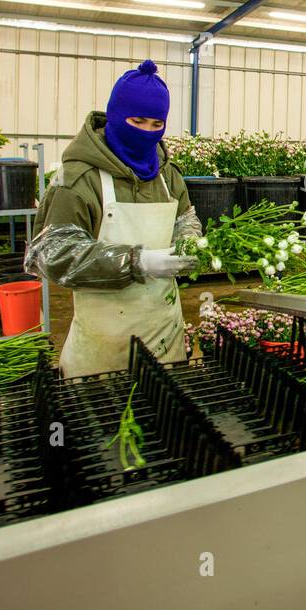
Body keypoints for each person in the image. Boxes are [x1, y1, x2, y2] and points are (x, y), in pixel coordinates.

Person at [26, 60, 200, 375]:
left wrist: (190, 244)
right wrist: (136, 262)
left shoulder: (167, 175)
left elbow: (185, 220)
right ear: (117, 116)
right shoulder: (79, 178)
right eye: (138, 120)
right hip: (103, 346)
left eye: (156, 125)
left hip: (165, 337)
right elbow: (51, 253)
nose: (147, 132)